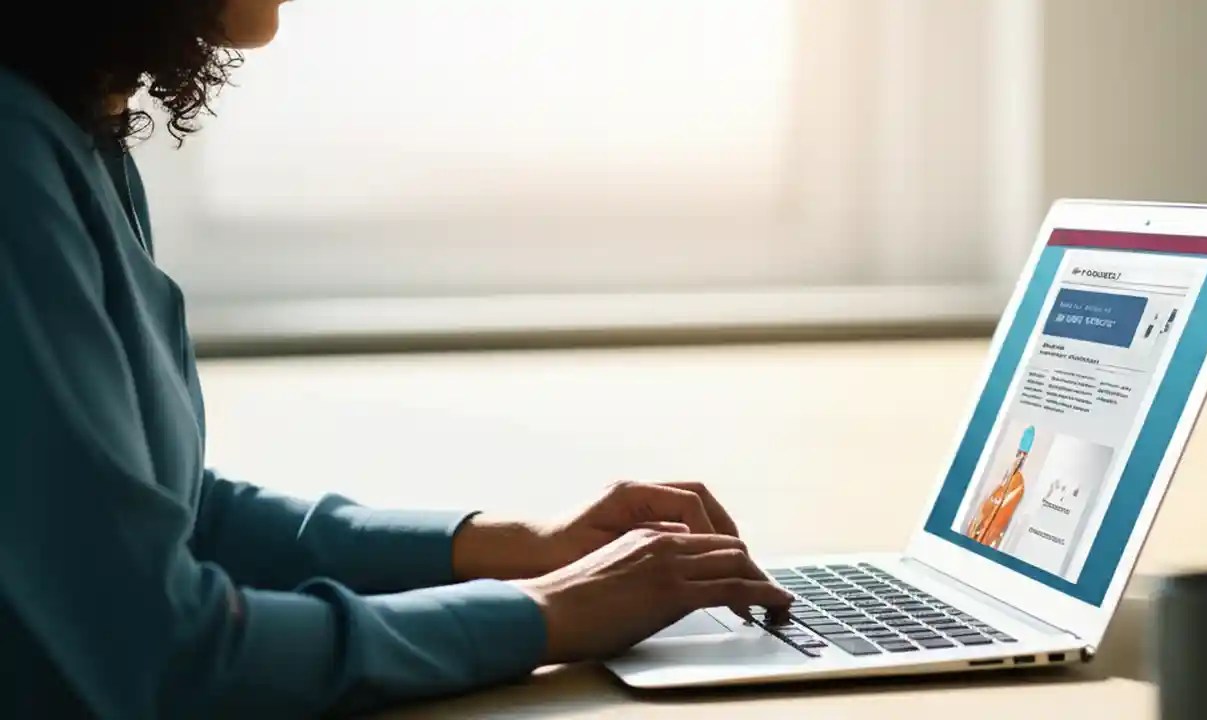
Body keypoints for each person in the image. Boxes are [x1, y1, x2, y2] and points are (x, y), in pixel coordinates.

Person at [0, 2, 793, 718]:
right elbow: (159, 646)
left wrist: (514, 543)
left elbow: (172, 519)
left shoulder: (77, 132)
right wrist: (544, 612)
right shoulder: (14, 164)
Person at [964, 426, 1035, 549]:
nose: (1020, 459)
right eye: (1020, 454)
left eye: (1023, 456)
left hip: (991, 533)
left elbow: (1006, 510)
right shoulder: (1007, 476)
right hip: (978, 530)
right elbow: (988, 505)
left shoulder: (1018, 483)